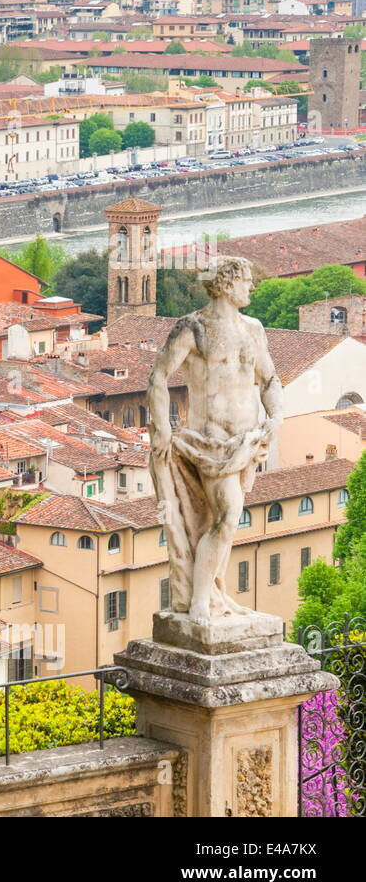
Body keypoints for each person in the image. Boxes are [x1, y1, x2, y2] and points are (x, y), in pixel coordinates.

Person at [148, 255, 282, 623]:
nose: (251, 287)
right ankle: (199, 601)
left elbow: (269, 380)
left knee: (220, 523)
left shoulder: (254, 328)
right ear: (225, 284)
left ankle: (217, 594)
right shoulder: (193, 327)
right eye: (245, 280)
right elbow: (158, 377)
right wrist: (160, 428)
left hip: (248, 444)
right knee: (226, 516)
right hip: (212, 445)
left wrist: (277, 415)